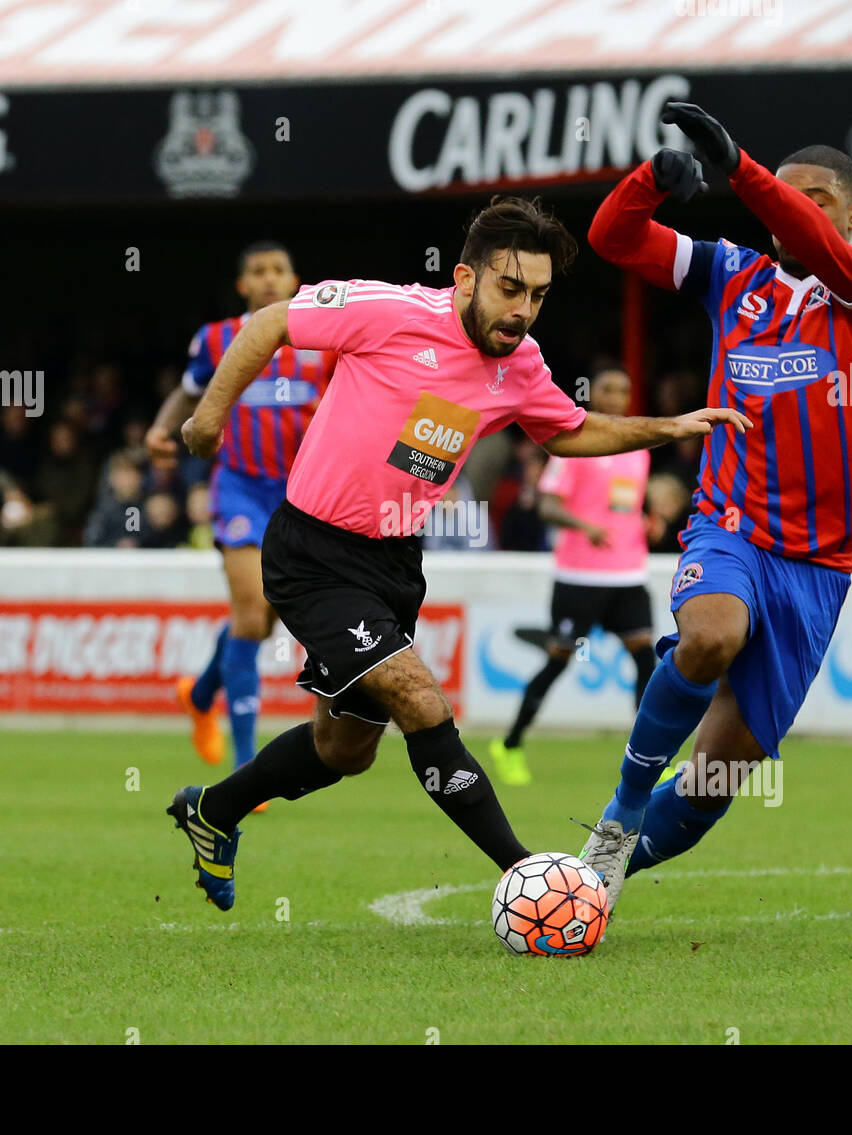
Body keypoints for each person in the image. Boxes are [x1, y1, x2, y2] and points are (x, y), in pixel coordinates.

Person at [168, 196, 749, 910]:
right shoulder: (389, 311)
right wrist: (209, 417)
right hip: (313, 553)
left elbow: (565, 431)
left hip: (393, 564)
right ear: (466, 279)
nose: (523, 309)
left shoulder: (521, 363)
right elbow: (271, 322)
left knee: (344, 748)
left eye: (538, 295)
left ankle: (213, 809)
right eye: (511, 289)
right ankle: (535, 879)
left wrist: (667, 426)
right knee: (419, 696)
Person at [577, 103, 852, 910]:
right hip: (732, 524)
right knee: (712, 634)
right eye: (782, 198)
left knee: (711, 788)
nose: (791, 211)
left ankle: (589, 880)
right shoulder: (732, 273)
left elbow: (816, 240)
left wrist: (745, 170)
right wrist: (651, 179)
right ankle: (621, 804)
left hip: (820, 566)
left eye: (817, 199)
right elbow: (611, 240)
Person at [146, 242, 333, 775]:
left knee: (266, 617)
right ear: (243, 285)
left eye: (278, 269)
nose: (269, 278)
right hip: (240, 488)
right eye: (258, 271)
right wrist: (162, 429)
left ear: (296, 279)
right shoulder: (216, 339)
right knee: (252, 616)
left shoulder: (323, 343)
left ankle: (202, 696)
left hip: (301, 496)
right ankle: (249, 764)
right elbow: (190, 392)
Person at [490, 366, 658, 785]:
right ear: (592, 395)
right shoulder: (577, 446)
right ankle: (509, 744)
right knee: (558, 660)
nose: (617, 397)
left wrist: (646, 524)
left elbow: (625, 508)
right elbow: (546, 506)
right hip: (579, 575)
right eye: (607, 389)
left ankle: (648, 760)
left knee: (645, 660)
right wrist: (585, 527)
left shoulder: (639, 450)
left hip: (627, 574)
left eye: (624, 389)